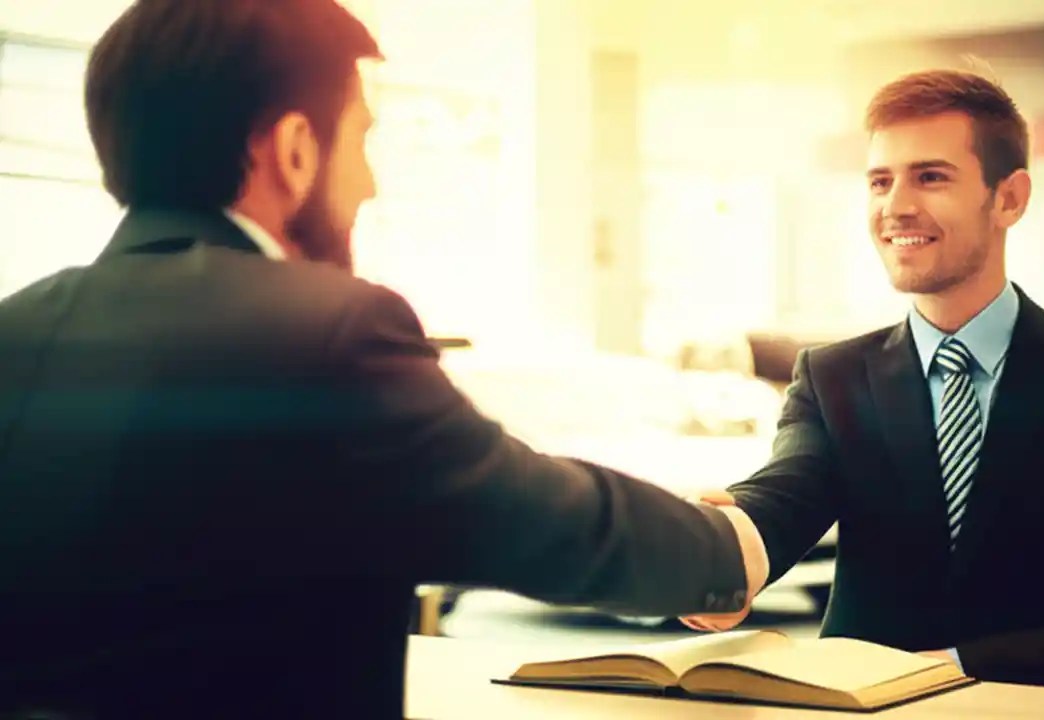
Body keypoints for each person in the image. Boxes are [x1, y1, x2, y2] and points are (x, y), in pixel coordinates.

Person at [0, 1, 766, 717]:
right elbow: (539, 517)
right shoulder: (326, 332)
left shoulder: (16, 328)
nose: (369, 184)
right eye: (362, 139)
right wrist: (723, 550)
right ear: (295, 149)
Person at [680, 69, 1044, 698]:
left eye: (930, 177)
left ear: (1010, 198)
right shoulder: (832, 378)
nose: (896, 205)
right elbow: (785, 494)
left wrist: (954, 665)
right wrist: (720, 551)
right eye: (880, 181)